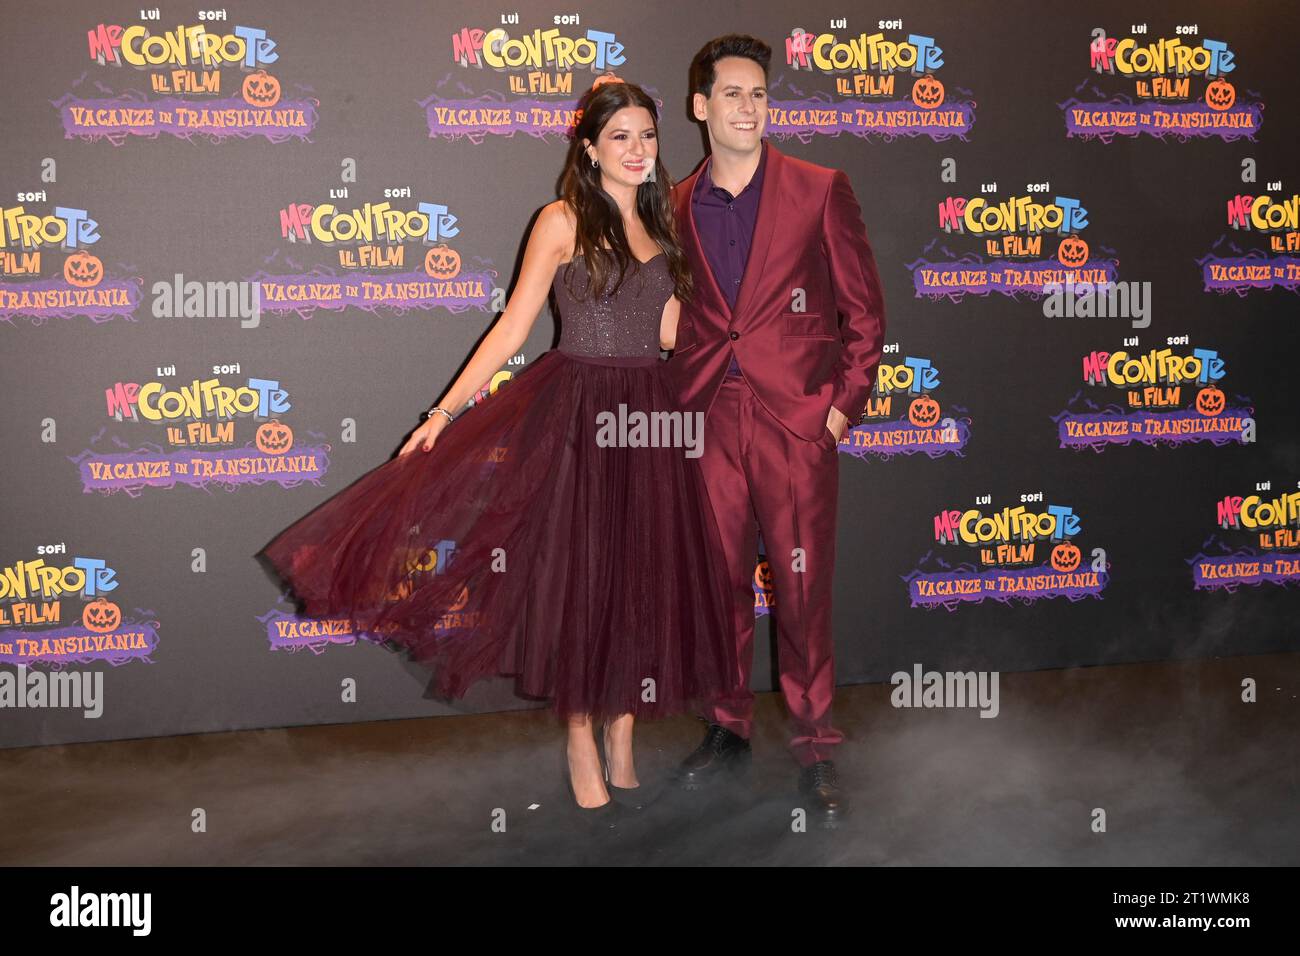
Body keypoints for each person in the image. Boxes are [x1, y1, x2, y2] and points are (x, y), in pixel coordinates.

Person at [256, 80, 737, 818]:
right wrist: (444, 411)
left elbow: (669, 332)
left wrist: (741, 323)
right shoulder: (561, 219)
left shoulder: (664, 223)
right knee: (581, 584)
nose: (640, 150)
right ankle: (581, 738)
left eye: (648, 136)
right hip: (578, 414)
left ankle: (622, 737)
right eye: (622, 138)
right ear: (589, 148)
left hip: (653, 420)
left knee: (642, 577)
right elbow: (513, 328)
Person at [666, 35, 887, 828]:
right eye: (732, 93)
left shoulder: (819, 188)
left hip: (795, 420)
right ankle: (726, 733)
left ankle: (817, 749)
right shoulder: (675, 202)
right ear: (701, 106)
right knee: (716, 587)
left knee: (801, 595)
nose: (748, 107)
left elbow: (864, 311)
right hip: (706, 420)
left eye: (758, 93)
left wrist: (840, 408)